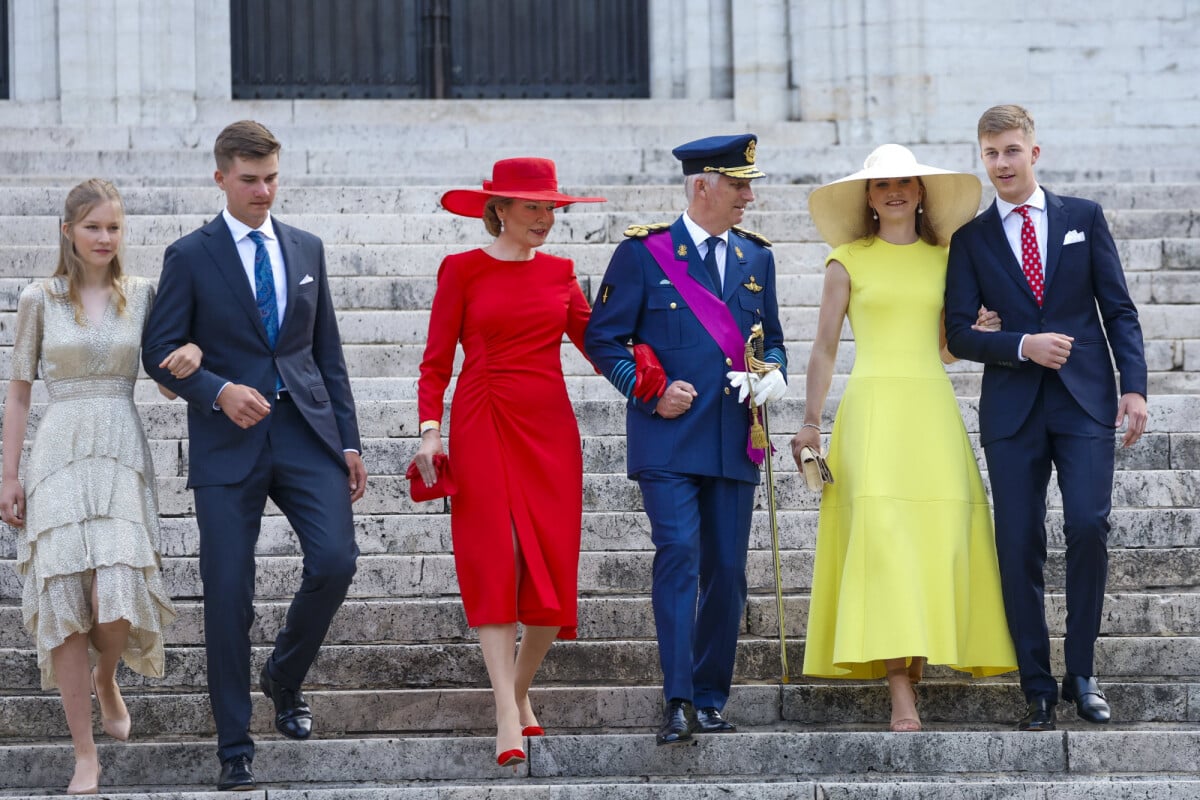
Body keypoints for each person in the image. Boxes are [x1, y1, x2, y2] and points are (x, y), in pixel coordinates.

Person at [141, 120, 367, 791]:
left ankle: (284, 676)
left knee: (336, 561)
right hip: (227, 441)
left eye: (270, 178)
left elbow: (327, 353)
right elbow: (158, 351)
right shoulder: (190, 255)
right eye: (249, 180)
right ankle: (234, 745)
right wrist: (215, 390)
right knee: (229, 594)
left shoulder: (307, 248)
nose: (262, 191)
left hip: (306, 432)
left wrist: (349, 439)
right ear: (221, 178)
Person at [792, 144, 1017, 732]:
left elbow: (944, 346)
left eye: (905, 183)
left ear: (921, 194)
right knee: (884, 543)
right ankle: (899, 689)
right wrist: (811, 421)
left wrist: (979, 331)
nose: (894, 191)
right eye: (881, 184)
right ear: (868, 197)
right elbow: (823, 347)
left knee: (934, 537)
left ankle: (912, 661)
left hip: (930, 409)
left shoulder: (948, 259)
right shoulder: (846, 260)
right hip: (872, 412)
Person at [945, 105, 1148, 731]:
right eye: (990, 153)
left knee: (1088, 525)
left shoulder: (1082, 218)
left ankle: (1081, 673)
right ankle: (1036, 682)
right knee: (1018, 542)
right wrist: (1018, 345)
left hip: (1085, 399)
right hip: (1012, 409)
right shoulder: (970, 239)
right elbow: (954, 333)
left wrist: (1134, 389)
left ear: (1035, 153)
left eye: (1010, 151)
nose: (1000, 164)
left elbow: (1118, 309)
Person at [584, 134, 787, 746]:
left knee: (726, 572)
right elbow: (603, 339)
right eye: (738, 184)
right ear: (702, 185)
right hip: (669, 439)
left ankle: (709, 695)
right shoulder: (645, 254)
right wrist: (648, 391)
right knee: (680, 556)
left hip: (733, 438)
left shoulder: (758, 259)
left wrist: (770, 374)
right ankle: (676, 699)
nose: (749, 196)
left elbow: (772, 337)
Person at [0, 179, 200, 794]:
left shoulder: (140, 295)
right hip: (58, 452)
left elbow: (166, 383)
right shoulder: (39, 299)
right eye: (93, 227)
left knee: (115, 591)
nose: (104, 238)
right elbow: (20, 391)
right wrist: (8, 474)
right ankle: (84, 753)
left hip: (119, 451)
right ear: (68, 231)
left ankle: (107, 674)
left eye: (113, 227)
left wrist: (190, 354)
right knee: (64, 597)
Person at [414, 157, 603, 769]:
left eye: (552, 208)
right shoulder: (462, 270)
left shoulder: (562, 273)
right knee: (496, 558)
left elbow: (598, 345)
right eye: (533, 208)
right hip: (482, 420)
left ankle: (518, 691)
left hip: (549, 426)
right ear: (499, 210)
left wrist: (659, 372)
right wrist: (429, 432)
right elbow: (436, 360)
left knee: (550, 567)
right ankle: (504, 710)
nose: (546, 219)